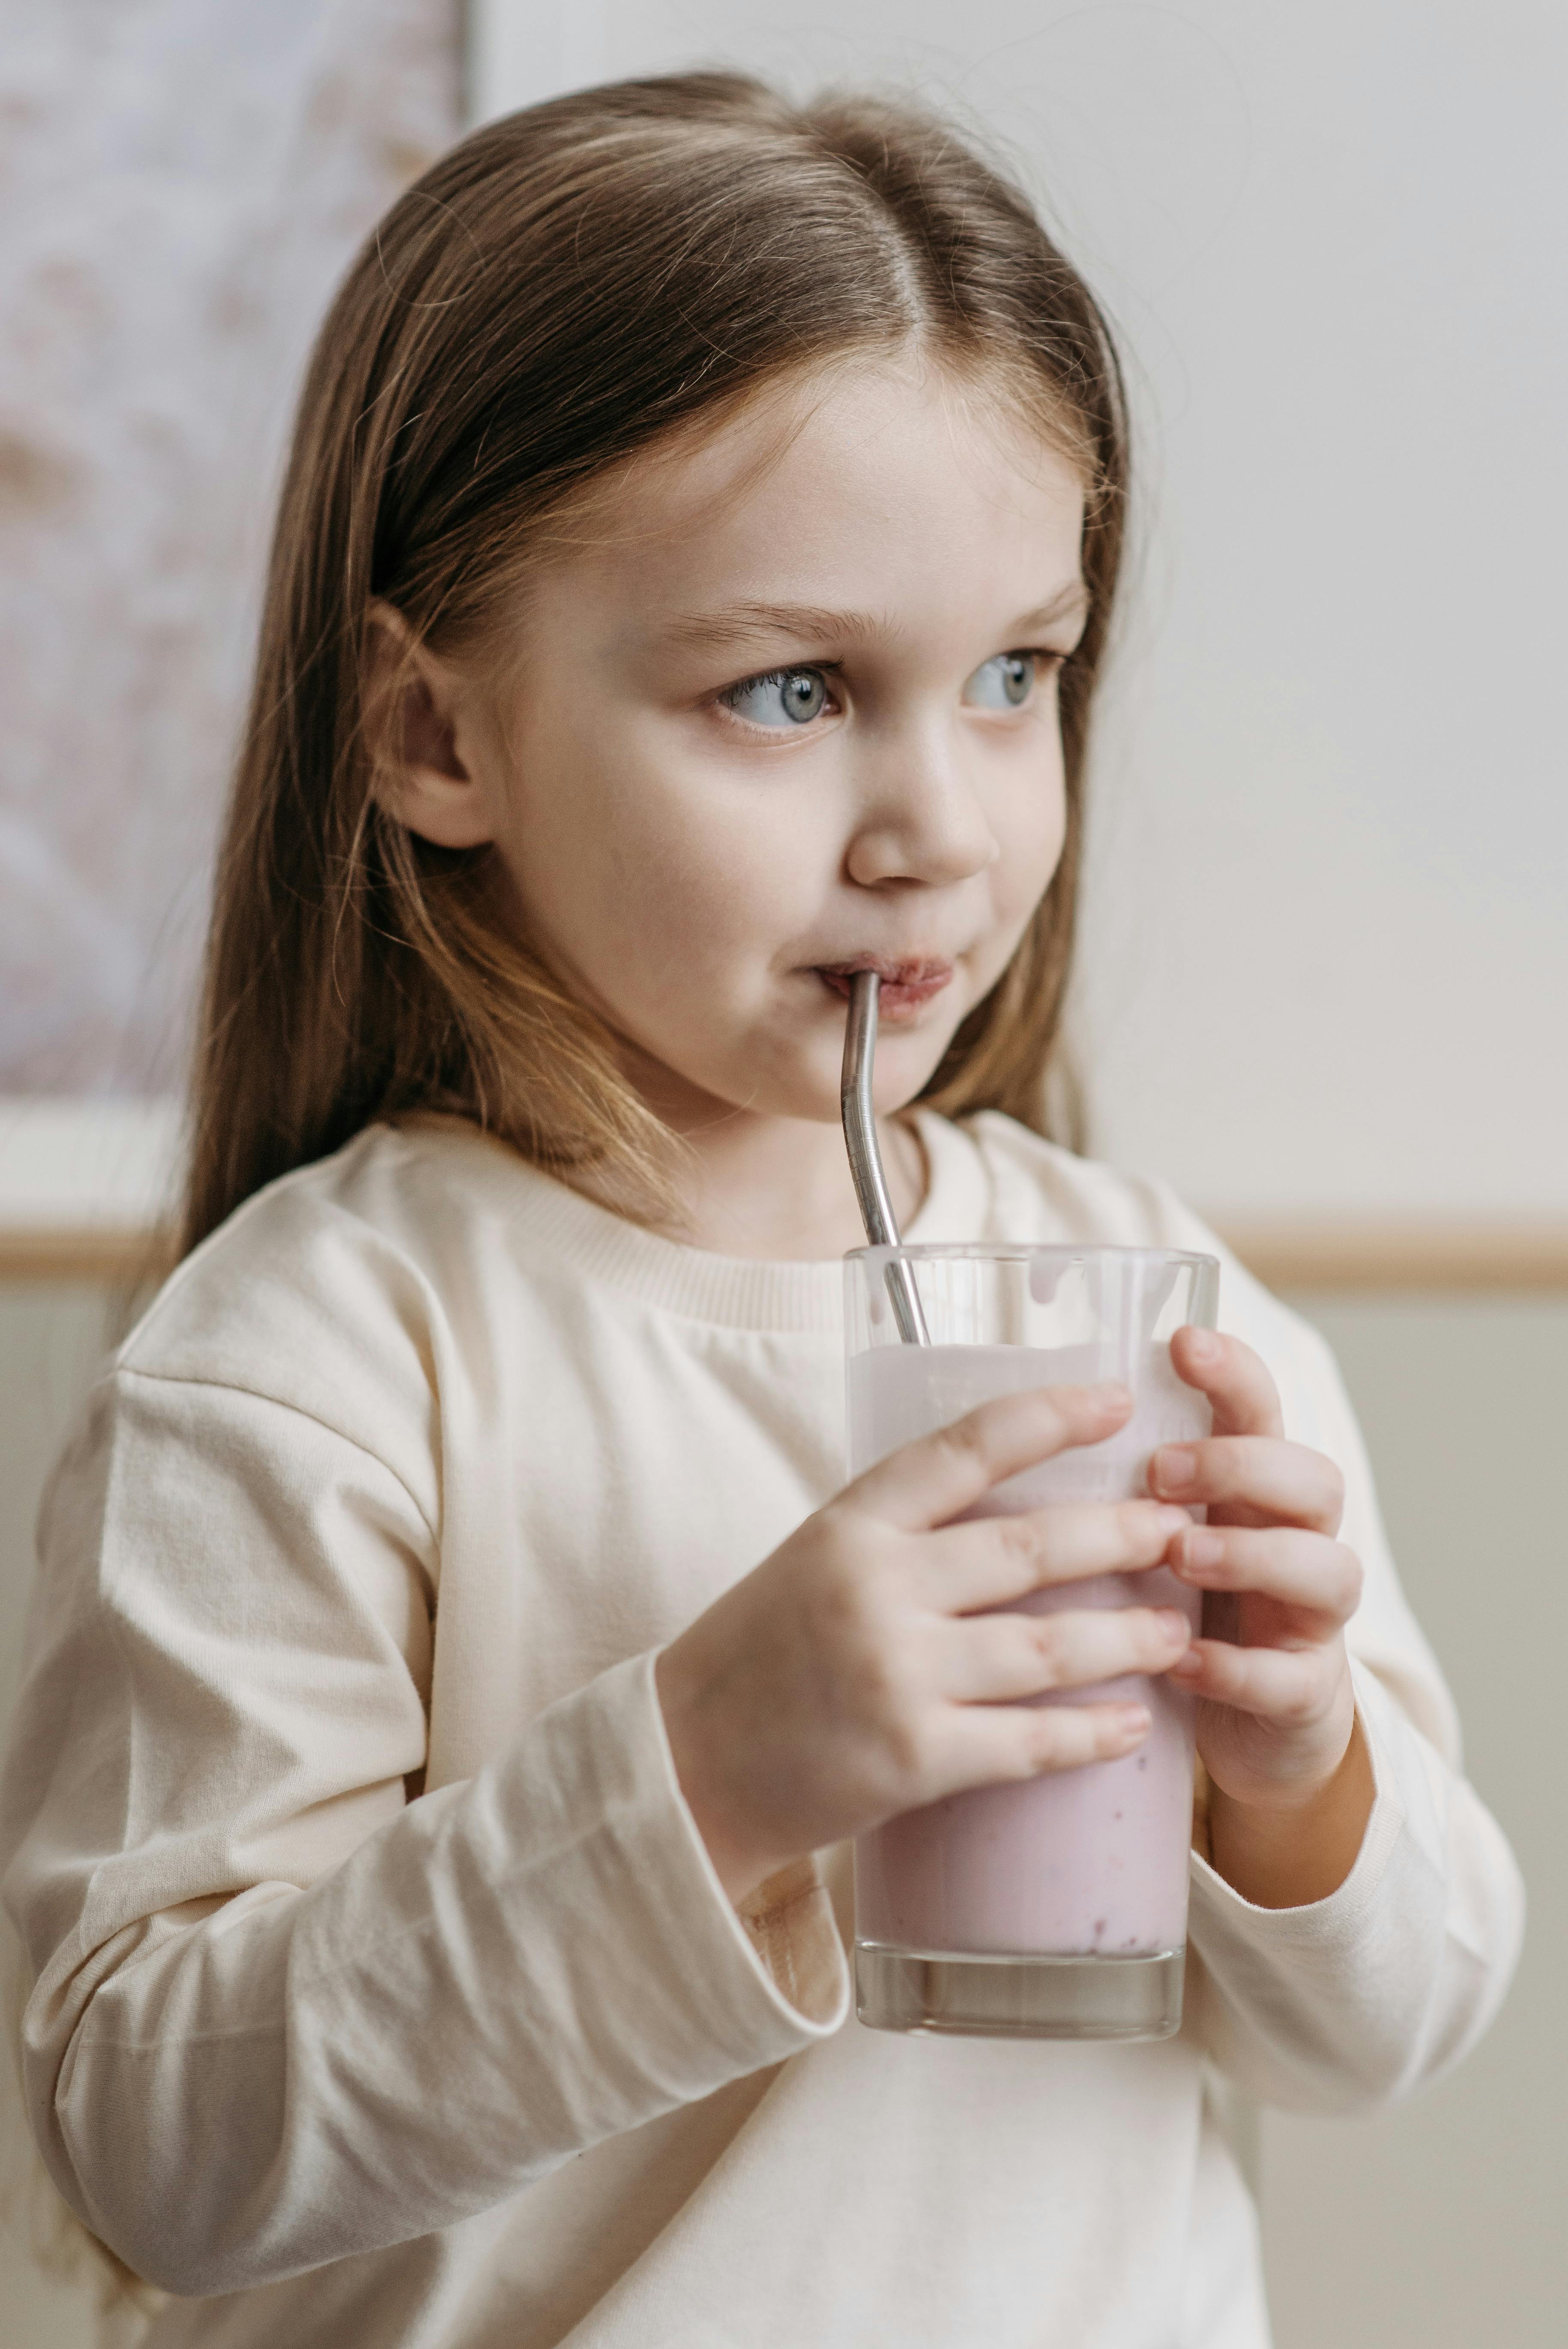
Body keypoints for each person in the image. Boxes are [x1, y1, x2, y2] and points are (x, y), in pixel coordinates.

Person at [0, 71, 1523, 2349]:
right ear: (437, 737)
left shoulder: (1161, 1312)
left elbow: (1385, 2026)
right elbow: (164, 2141)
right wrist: (705, 1765)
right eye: (793, 688)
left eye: (1017, 673)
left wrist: (1295, 1775)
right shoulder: (321, 1362)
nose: (936, 820)